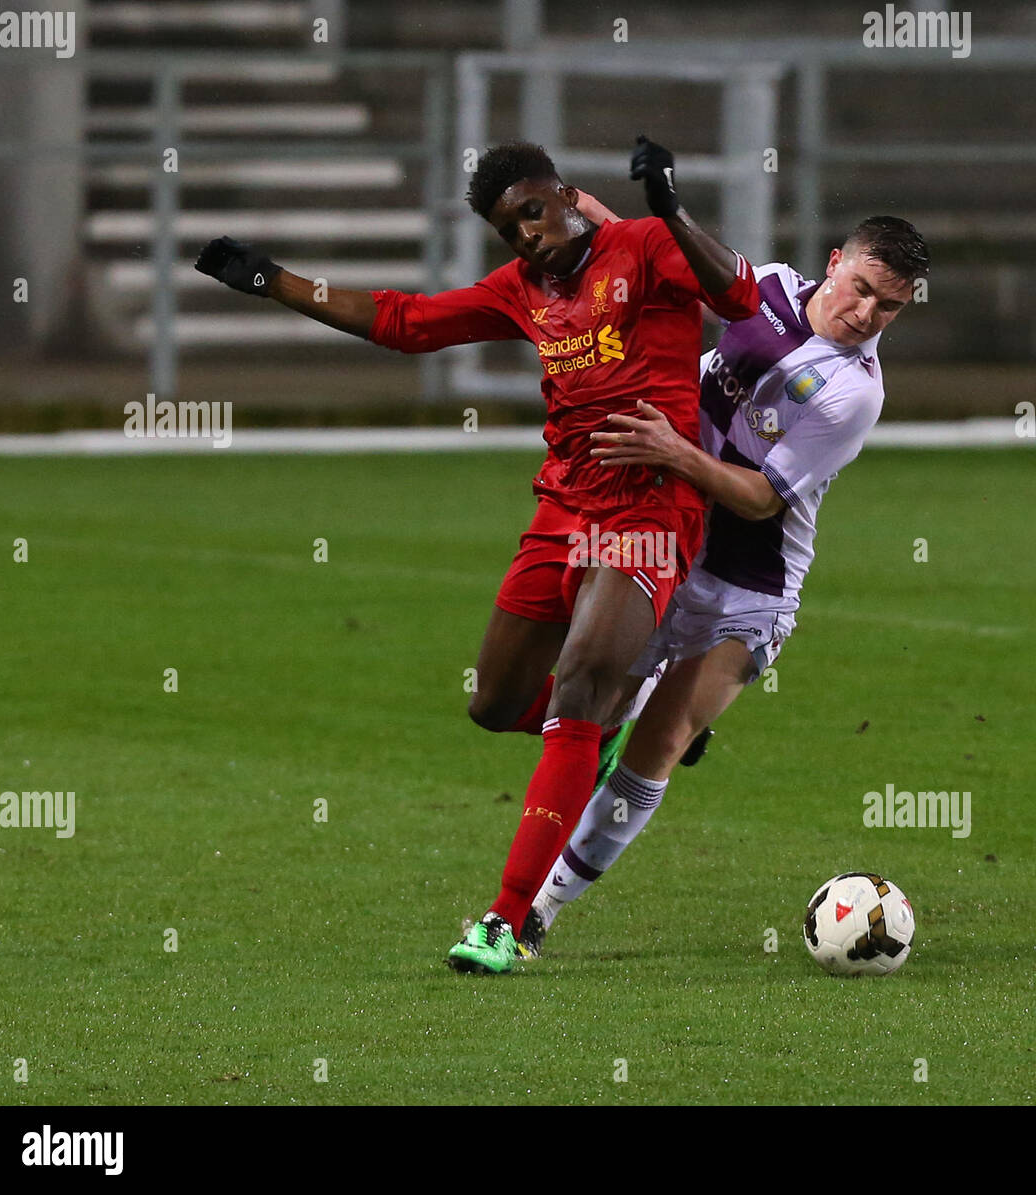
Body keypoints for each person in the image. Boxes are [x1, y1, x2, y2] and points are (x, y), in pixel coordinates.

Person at [194, 137, 761, 973]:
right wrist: (274, 281)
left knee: (576, 687)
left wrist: (671, 209)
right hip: (561, 508)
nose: (525, 234)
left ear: (566, 195)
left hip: (649, 505)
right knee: (495, 704)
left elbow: (740, 296)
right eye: (508, 228)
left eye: (532, 211)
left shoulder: (643, 246)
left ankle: (505, 920)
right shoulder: (520, 289)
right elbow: (405, 322)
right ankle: (615, 718)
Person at [520, 202, 930, 955]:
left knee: (660, 742)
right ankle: (622, 713)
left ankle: (537, 912)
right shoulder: (764, 287)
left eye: (890, 307)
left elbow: (763, 498)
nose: (867, 313)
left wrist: (674, 452)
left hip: (749, 587)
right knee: (581, 709)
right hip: (666, 545)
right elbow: (659, 257)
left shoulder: (855, 392)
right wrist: (584, 208)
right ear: (834, 262)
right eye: (863, 289)